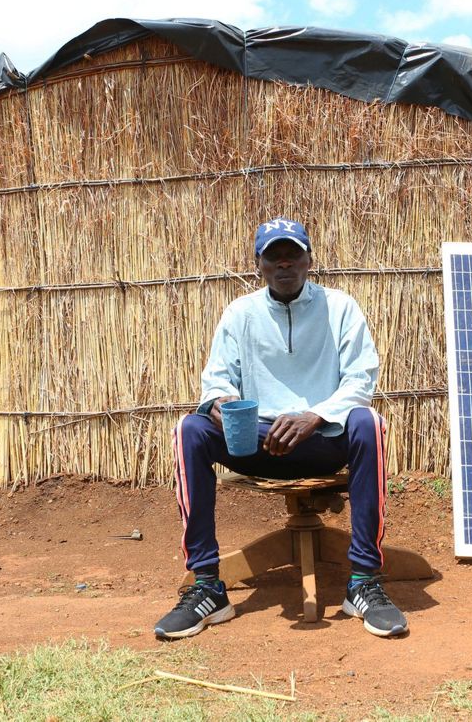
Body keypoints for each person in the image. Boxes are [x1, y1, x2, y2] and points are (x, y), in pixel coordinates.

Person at [154, 217, 408, 640]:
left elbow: (361, 380)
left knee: (369, 422)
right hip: (258, 441)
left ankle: (363, 581)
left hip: (323, 438)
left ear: (310, 260)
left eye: (294, 255)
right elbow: (216, 379)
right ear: (259, 266)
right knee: (191, 429)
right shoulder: (240, 314)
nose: (285, 263)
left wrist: (317, 416)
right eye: (274, 256)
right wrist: (221, 403)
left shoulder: (341, 307)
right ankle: (206, 587)